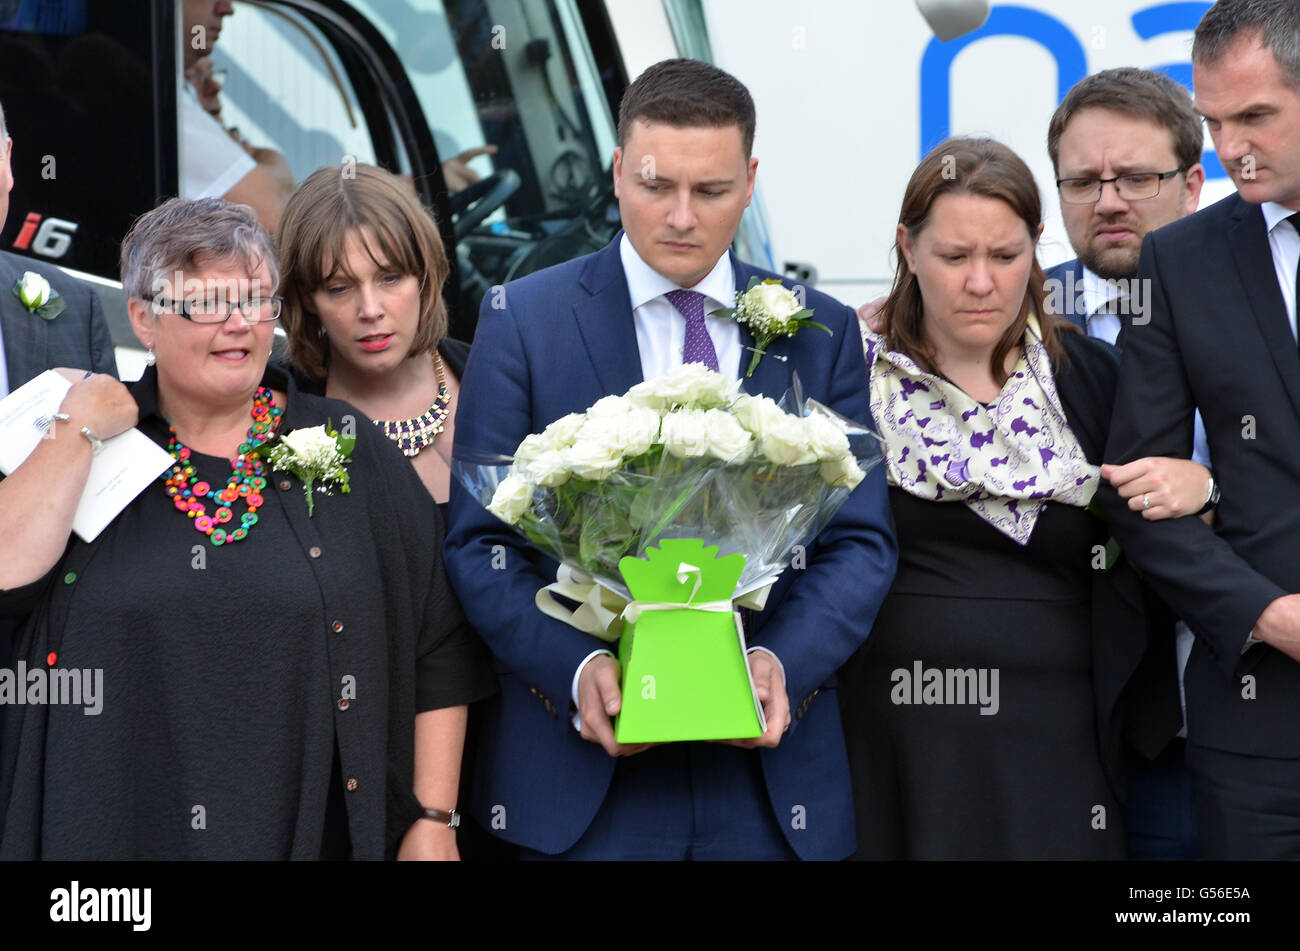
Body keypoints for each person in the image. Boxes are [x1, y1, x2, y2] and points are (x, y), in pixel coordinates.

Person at [443, 58, 897, 860]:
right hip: (583, 774)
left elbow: (861, 542)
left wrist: (777, 662)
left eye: (711, 190)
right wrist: (577, 667)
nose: (681, 215)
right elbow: (480, 545)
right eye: (657, 186)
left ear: (751, 180)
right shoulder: (523, 319)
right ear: (618, 171)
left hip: (768, 780)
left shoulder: (818, 329)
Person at [0, 197, 494, 859]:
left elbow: (439, 643)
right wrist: (77, 424)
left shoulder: (345, 444)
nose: (238, 325)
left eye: (256, 299)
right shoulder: (94, 443)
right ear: (142, 317)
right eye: (206, 303)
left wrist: (434, 819)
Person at [845, 136, 1211, 859]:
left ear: (1036, 248)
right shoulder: (851, 374)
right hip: (892, 745)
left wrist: (1205, 487)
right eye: (954, 258)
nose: (981, 282)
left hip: (1065, 746)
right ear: (907, 248)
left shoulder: (1092, 377)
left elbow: (1160, 535)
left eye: (1005, 257)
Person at [1099, 0, 1300, 860]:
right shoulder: (1178, 260)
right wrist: (1267, 613)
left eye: (1256, 116)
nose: (1231, 148)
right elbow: (1138, 495)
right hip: (1256, 726)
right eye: (1215, 121)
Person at [275, 162, 513, 859]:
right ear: (306, 300)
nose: (370, 308)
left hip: (524, 757)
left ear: (427, 275)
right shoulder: (278, 422)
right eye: (338, 287)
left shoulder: (503, 381)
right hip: (361, 787)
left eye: (390, 277)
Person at [1045, 67, 1210, 860]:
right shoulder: (1000, 320)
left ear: (1194, 182)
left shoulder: (1260, 303)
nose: (1108, 201)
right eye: (1083, 181)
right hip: (1061, 733)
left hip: (1226, 712)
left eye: (1137, 178)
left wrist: (1209, 486)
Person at [179, 1, 294, 231]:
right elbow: (277, 219)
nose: (227, 8)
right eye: (195, 81)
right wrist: (268, 158)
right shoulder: (163, 101)